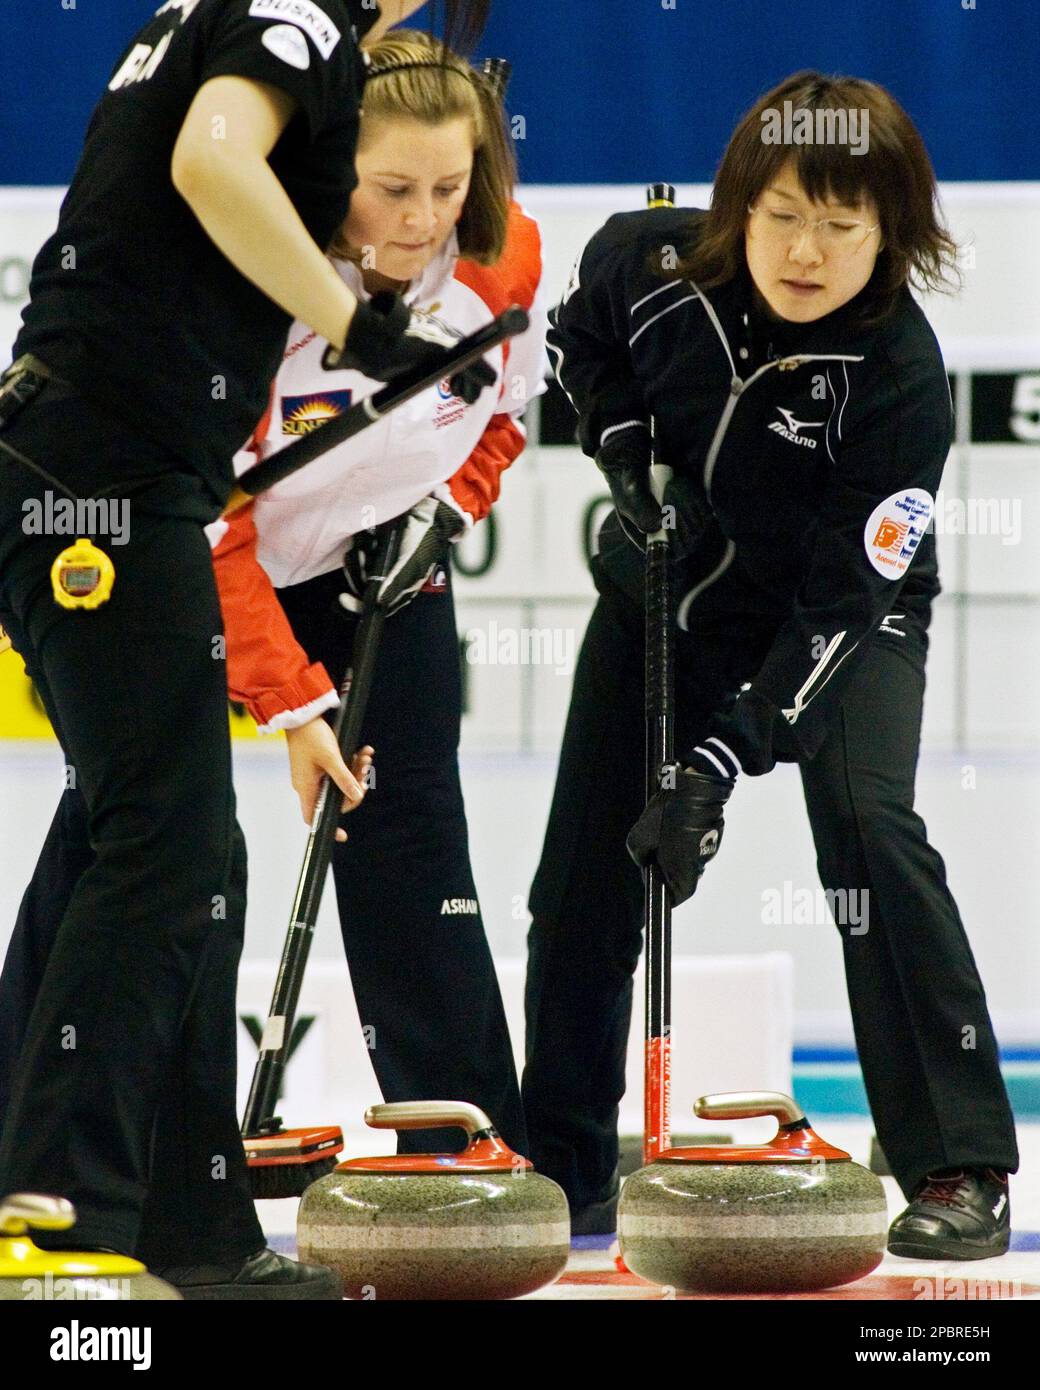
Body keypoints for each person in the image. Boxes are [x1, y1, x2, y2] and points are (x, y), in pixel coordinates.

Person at [0, 0, 493, 1301]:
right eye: (392, 184)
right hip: (101, 468)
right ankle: (54, 1218)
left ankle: (183, 1228)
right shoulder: (293, 18)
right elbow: (215, 159)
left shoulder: (218, 15)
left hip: (111, 464)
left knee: (177, 843)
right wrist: (348, 309)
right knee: (163, 840)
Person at [525, 71, 1019, 1256]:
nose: (805, 250)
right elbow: (574, 336)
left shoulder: (898, 377)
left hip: (841, 617)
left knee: (867, 834)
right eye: (783, 213)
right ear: (735, 205)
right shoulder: (645, 265)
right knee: (585, 869)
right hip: (669, 591)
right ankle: (561, 1161)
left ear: (887, 233)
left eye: (842, 225)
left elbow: (847, 598)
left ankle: (957, 1164)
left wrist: (715, 761)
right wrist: (627, 450)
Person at [209, 28, 546, 1157]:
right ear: (327, 170)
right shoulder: (256, 301)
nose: (421, 217)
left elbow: (497, 418)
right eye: (390, 187)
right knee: (140, 834)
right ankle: (79, 1137)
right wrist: (294, 706)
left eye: (448, 187)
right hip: (216, 573)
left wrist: (439, 515)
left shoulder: (504, 263)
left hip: (384, 565)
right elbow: (209, 531)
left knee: (408, 834)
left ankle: (461, 1143)